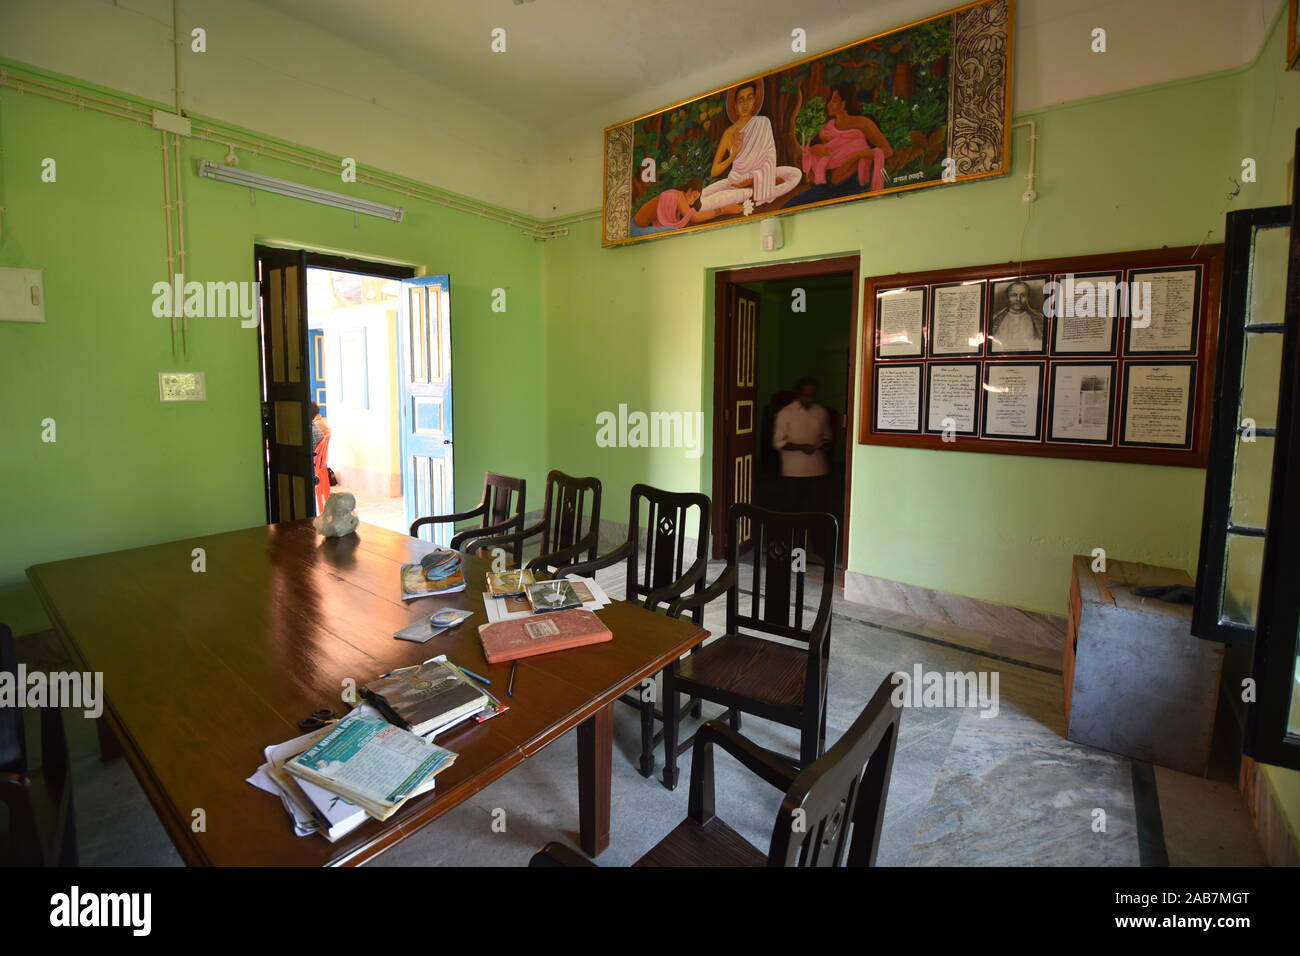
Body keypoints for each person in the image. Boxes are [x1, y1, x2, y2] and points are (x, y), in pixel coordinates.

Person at [699, 82, 801, 212]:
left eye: (749, 98)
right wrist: (734, 155)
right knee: (701, 196)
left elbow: (769, 157)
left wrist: (753, 179)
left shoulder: (763, 123)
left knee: (795, 174)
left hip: (751, 185)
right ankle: (768, 185)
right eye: (741, 100)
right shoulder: (729, 133)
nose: (745, 104)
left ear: (755, 101)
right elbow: (714, 171)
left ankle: (764, 187)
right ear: (735, 106)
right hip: (735, 181)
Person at [802, 84, 893, 192]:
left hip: (848, 184)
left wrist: (857, 155)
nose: (829, 104)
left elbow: (887, 150)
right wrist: (815, 148)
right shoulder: (829, 126)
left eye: (834, 100)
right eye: (830, 99)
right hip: (820, 184)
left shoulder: (862, 123)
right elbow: (813, 148)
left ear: (844, 103)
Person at [772, 376, 833, 513]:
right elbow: (778, 442)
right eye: (807, 395)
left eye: (813, 395)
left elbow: (827, 436)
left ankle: (813, 534)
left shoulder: (820, 412)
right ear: (798, 394)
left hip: (818, 469)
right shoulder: (785, 413)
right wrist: (801, 447)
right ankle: (791, 534)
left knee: (817, 509)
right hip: (793, 471)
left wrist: (824, 444)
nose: (810, 399)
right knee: (792, 508)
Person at [633, 179, 741, 228]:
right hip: (637, 226)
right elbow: (694, 217)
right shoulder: (679, 195)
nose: (693, 201)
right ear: (688, 190)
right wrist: (723, 210)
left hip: (641, 225)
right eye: (694, 195)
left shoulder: (677, 199)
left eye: (696, 198)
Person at [989, 280, 1046, 352]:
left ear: (1028, 298)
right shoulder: (995, 319)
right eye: (1014, 295)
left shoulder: (1039, 319)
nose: (1018, 299)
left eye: (1023, 295)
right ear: (1007, 297)